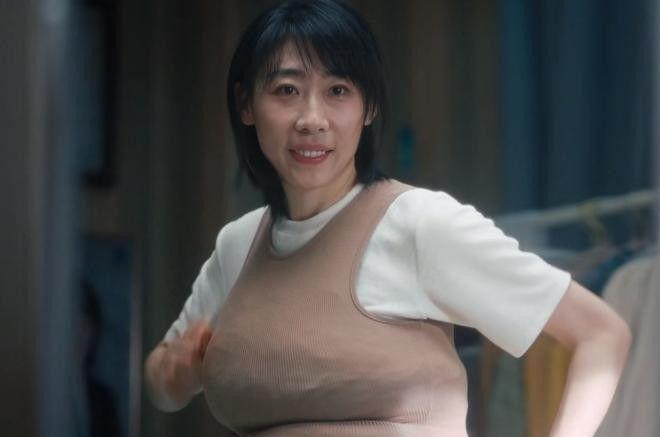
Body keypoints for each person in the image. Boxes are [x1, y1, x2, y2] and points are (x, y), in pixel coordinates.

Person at [143, 1, 631, 435]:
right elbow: (163, 385)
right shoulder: (238, 244)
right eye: (287, 90)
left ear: (370, 107)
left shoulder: (418, 224)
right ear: (247, 104)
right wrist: (174, 374)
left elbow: (601, 333)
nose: (312, 119)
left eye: (338, 90)